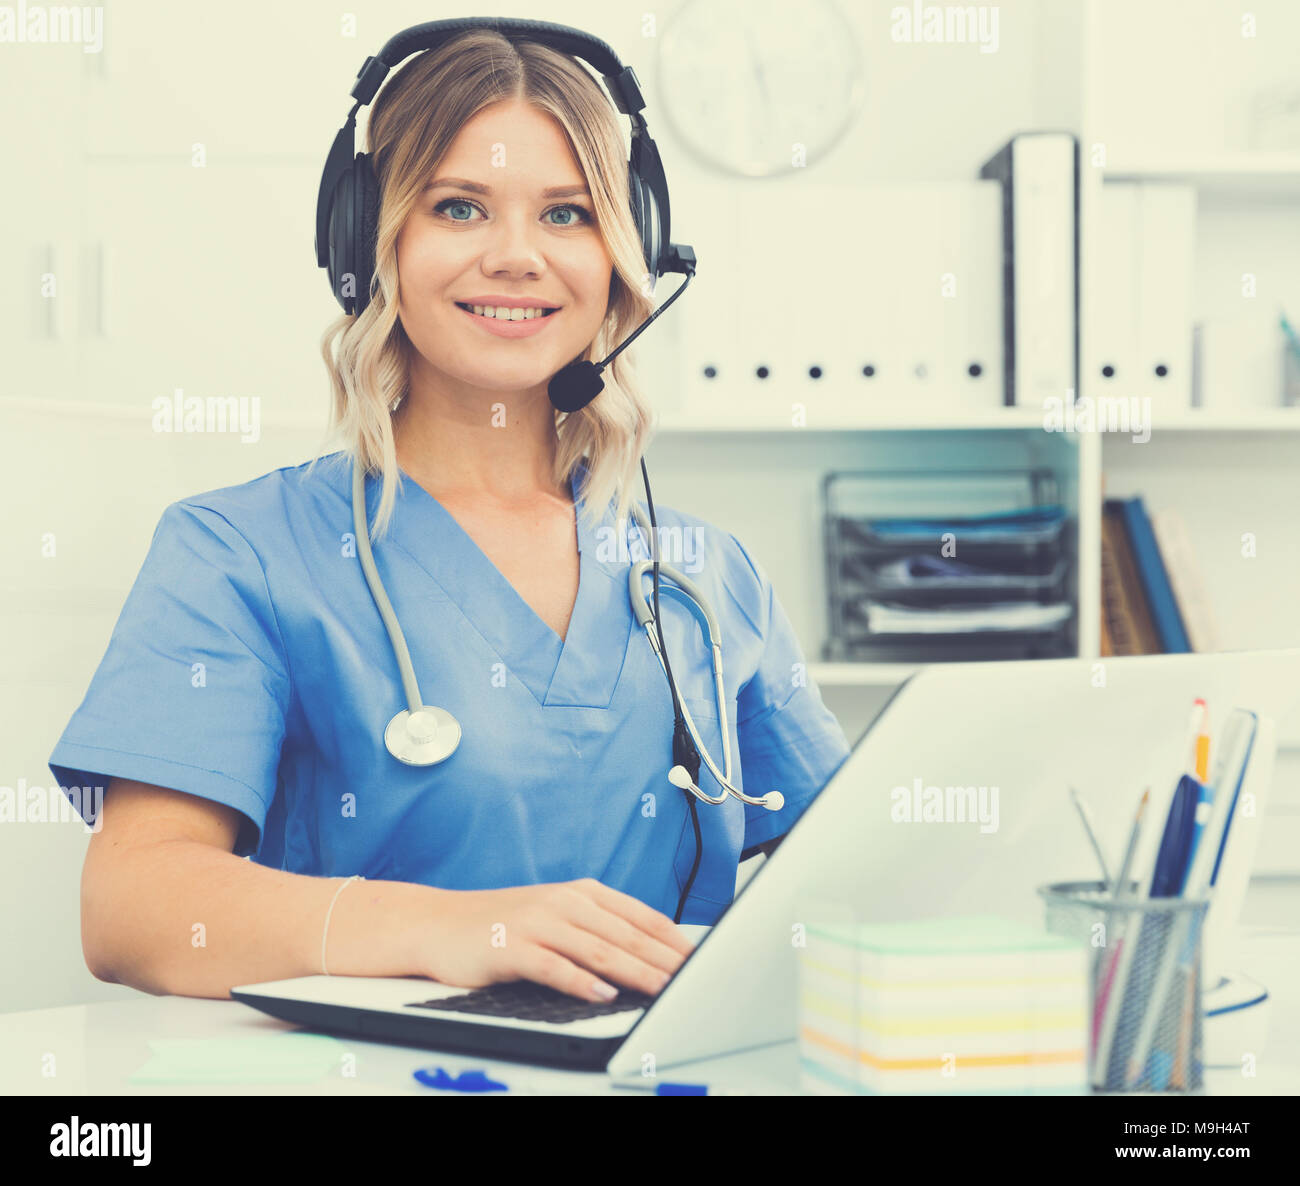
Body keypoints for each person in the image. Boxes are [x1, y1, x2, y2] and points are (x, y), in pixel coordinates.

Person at [49, 28, 851, 1006]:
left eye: (567, 213)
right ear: (368, 241)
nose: (516, 257)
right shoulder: (238, 553)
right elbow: (133, 908)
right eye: (459, 206)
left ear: (623, 252)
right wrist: (456, 929)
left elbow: (852, 870)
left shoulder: (703, 572)